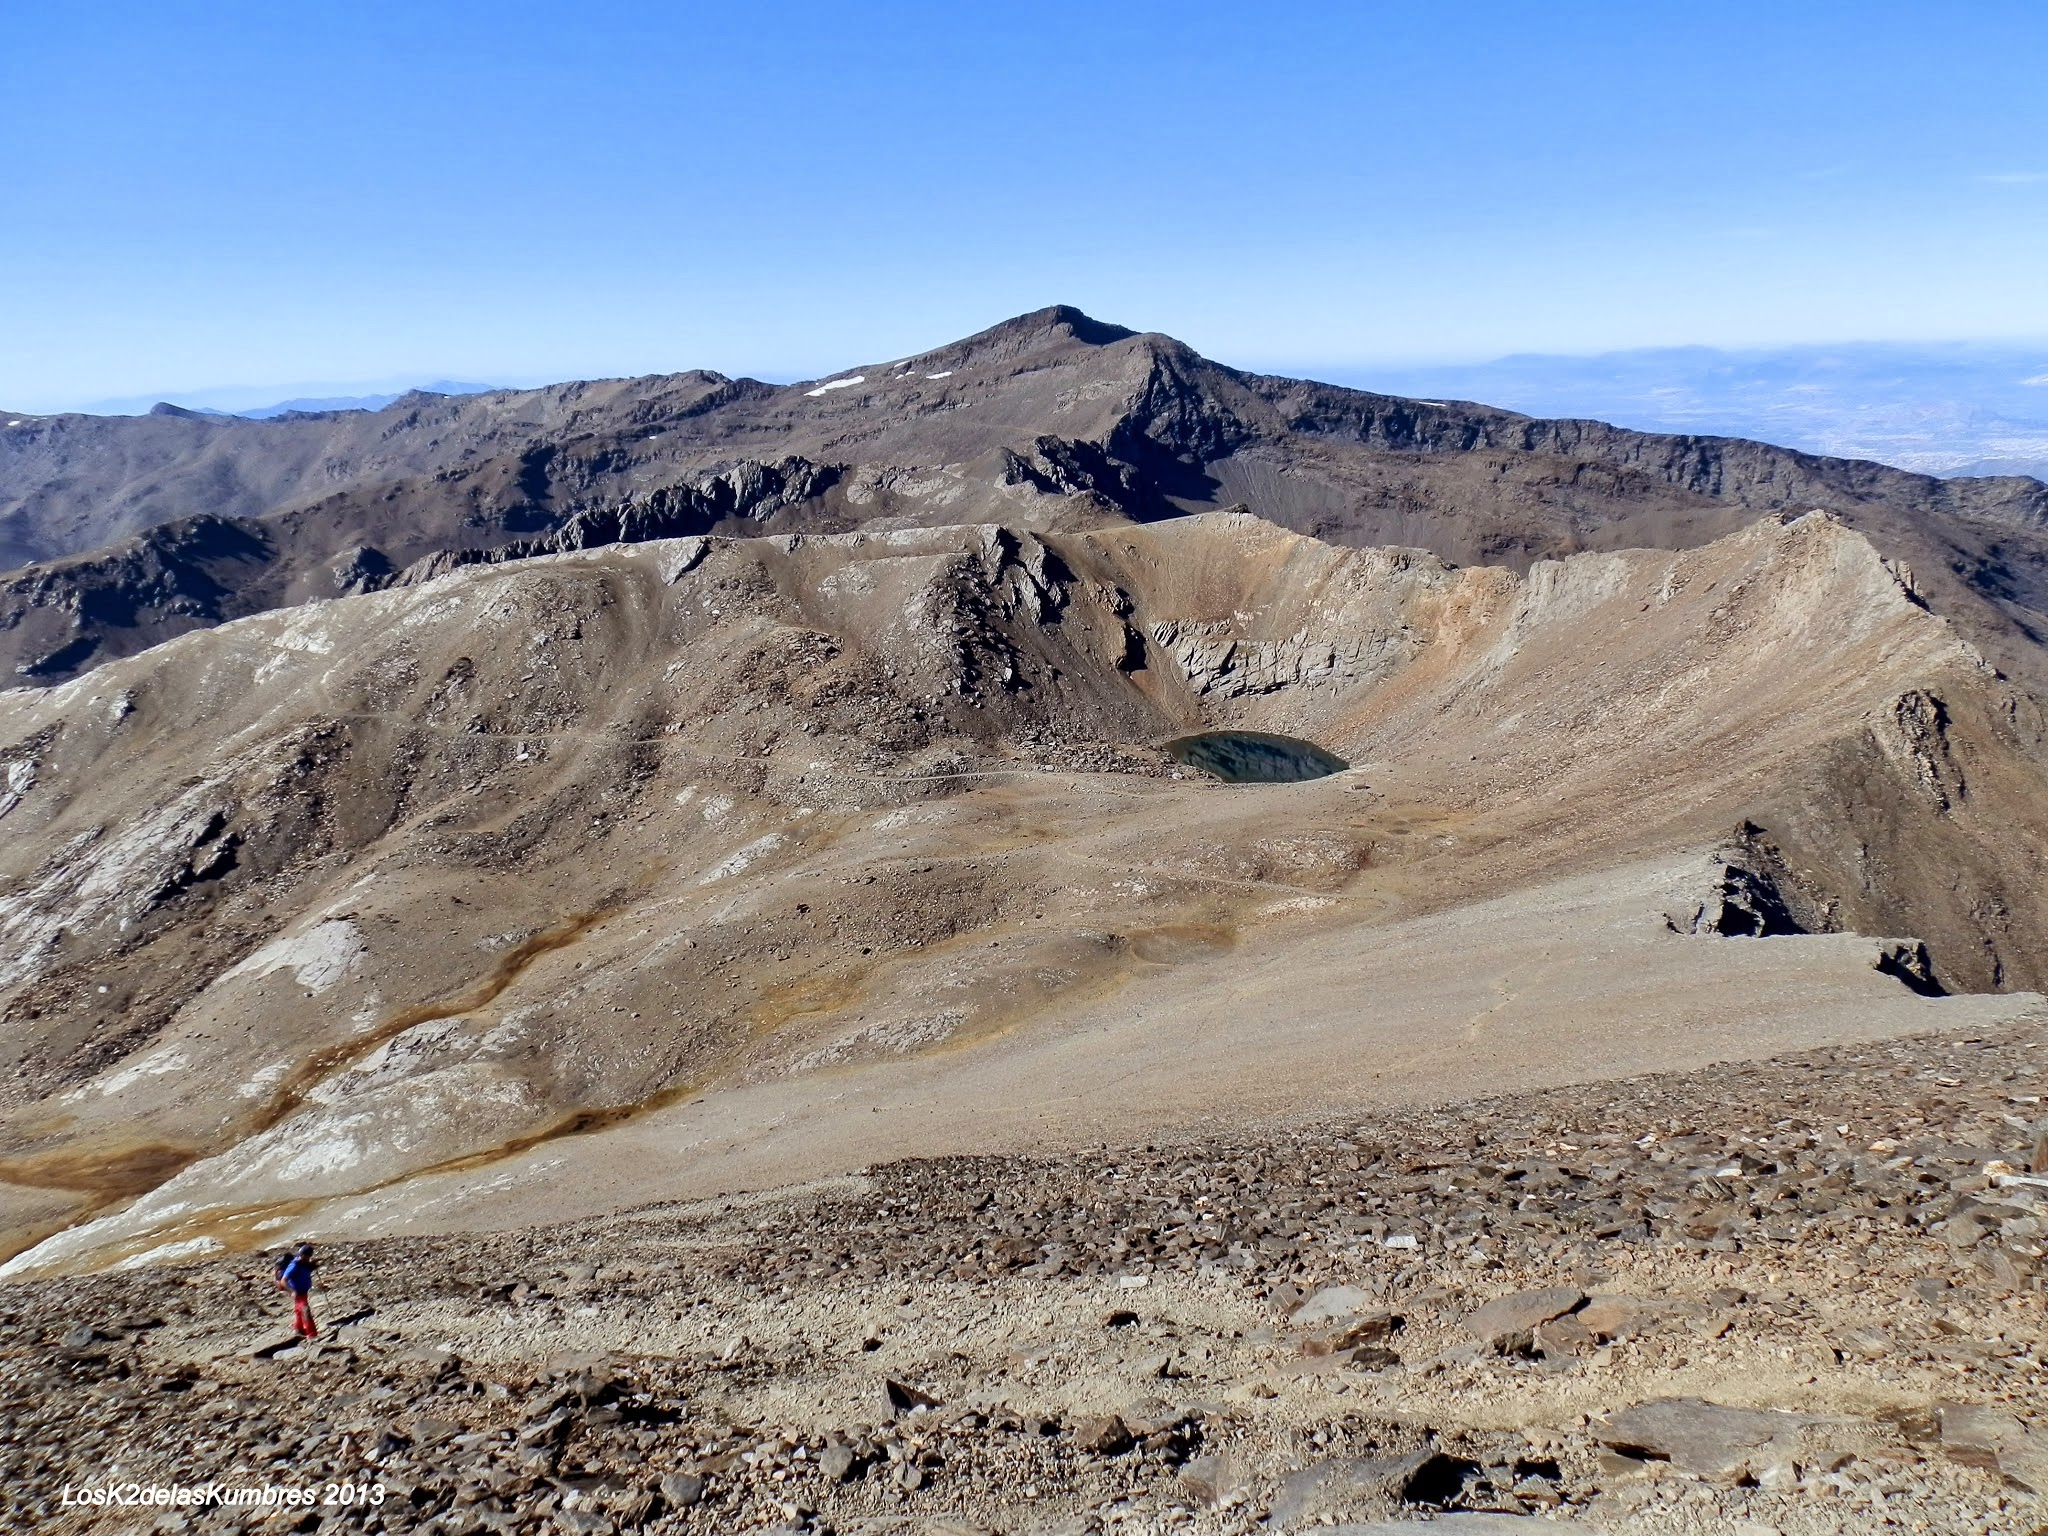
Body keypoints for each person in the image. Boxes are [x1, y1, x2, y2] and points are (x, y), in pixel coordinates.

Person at [273, 1243, 318, 1340]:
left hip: (303, 1292)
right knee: (305, 1310)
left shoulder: (304, 1263)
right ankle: (312, 1334)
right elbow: (283, 1280)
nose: (304, 1257)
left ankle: (298, 1329)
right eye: (303, 1255)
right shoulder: (294, 1265)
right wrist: (292, 1291)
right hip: (298, 1292)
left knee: (299, 1310)